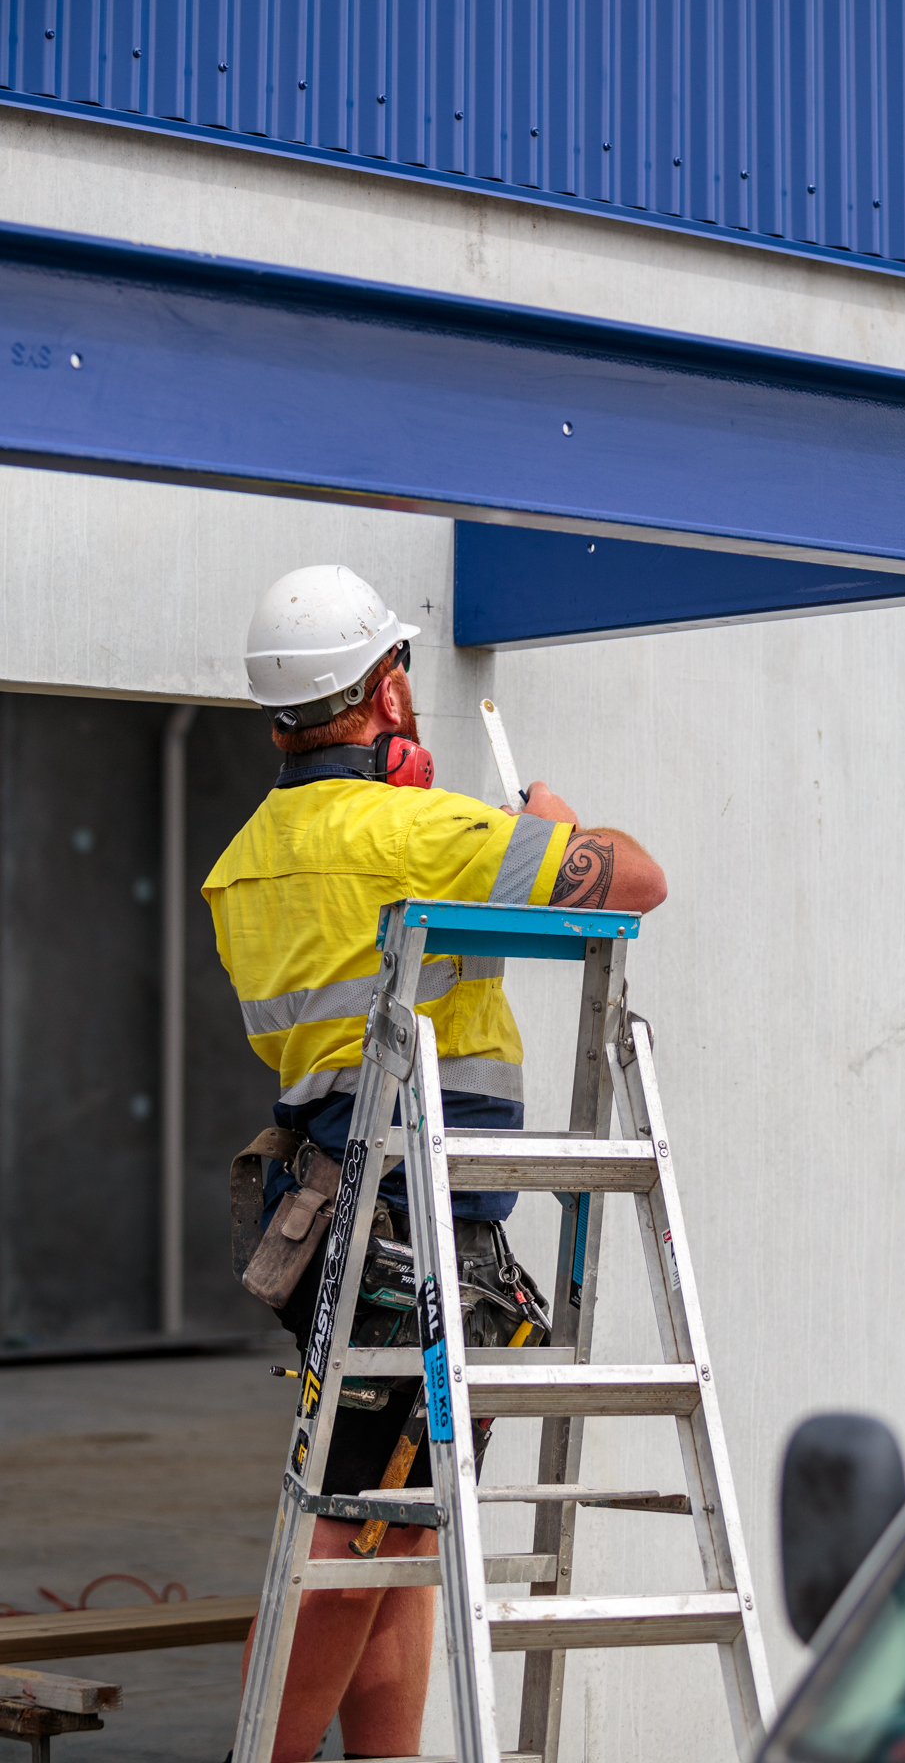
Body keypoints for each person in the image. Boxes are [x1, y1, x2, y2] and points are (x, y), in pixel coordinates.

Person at [204, 564, 666, 1763]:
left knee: (401, 1537)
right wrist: (559, 829)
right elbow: (637, 880)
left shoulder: (248, 859)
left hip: (336, 1218)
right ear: (385, 694)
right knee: (352, 1549)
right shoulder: (421, 836)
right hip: (412, 1237)